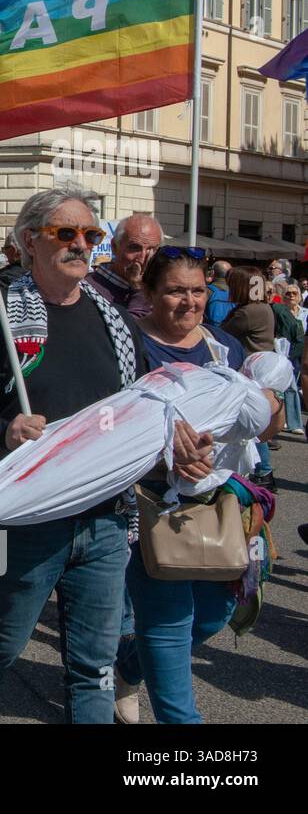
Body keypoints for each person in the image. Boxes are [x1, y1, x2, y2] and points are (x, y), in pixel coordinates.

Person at [0, 184, 214, 724]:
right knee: (3, 644)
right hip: (25, 518)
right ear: (29, 242)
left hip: (106, 521)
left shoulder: (117, 323)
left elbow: (149, 403)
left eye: (91, 234)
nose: (82, 243)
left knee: (94, 667)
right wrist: (2, 426)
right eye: (67, 233)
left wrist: (180, 443)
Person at [118, 247, 283, 723]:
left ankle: (127, 666)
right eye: (174, 290)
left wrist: (269, 406)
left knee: (212, 616)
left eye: (196, 290)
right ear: (149, 293)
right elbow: (108, 427)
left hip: (219, 505)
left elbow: (259, 429)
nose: (188, 301)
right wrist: (166, 445)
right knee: (168, 624)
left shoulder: (223, 347)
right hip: (148, 506)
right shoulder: (128, 345)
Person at [222, 266, 277, 490]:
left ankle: (261, 470)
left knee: (250, 425)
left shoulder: (246, 312)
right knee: (255, 422)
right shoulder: (263, 307)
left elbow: (222, 333)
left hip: (249, 371)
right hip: (263, 370)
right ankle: (263, 470)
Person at [84, 213, 160, 318]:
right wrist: (139, 289)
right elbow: (127, 331)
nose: (143, 259)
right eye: (134, 248)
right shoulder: (88, 289)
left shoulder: (158, 289)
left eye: (151, 250)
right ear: (115, 247)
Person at [205, 260, 235, 325]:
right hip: (230, 331)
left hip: (210, 331)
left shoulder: (206, 290)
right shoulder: (236, 292)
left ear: (212, 272)